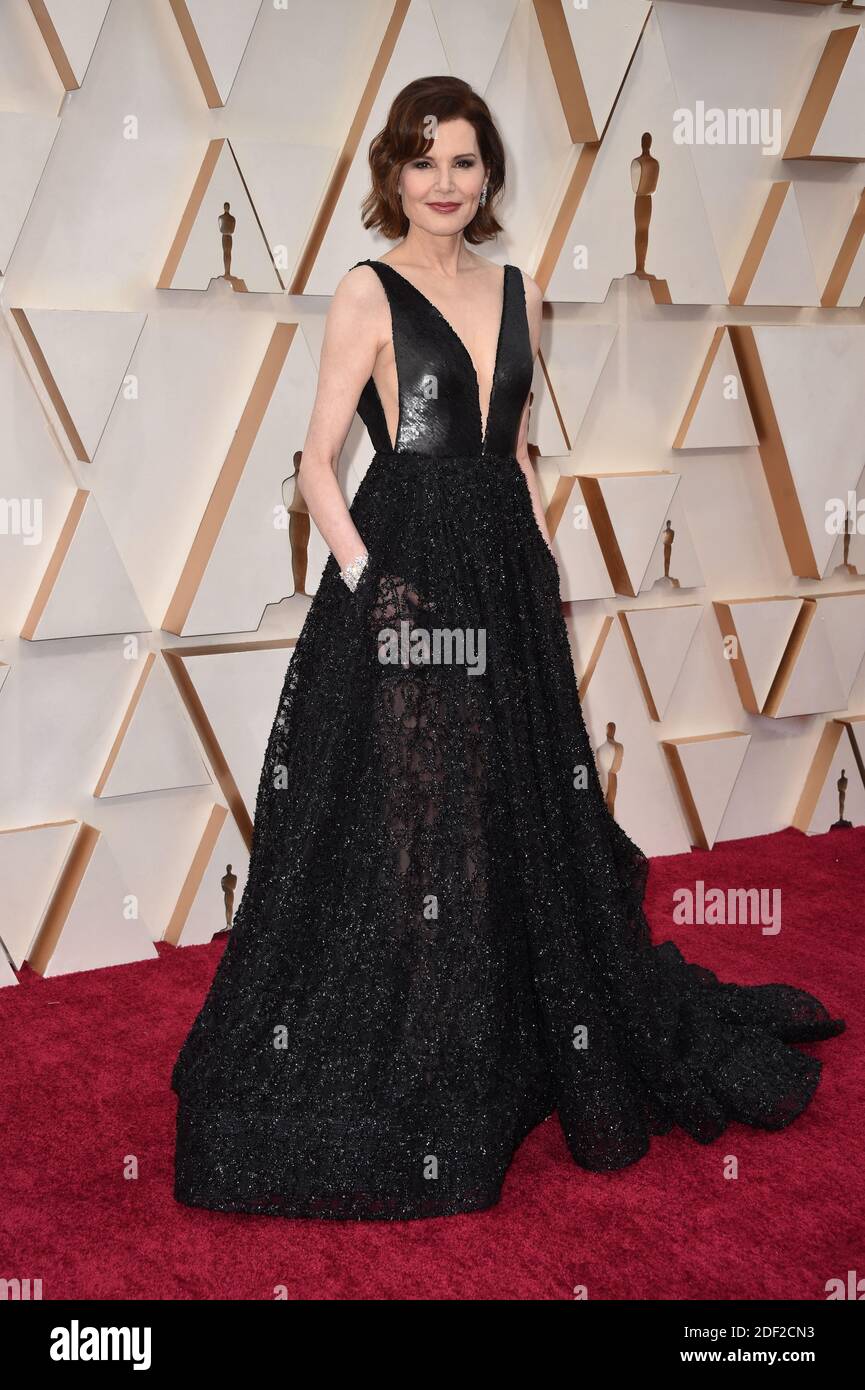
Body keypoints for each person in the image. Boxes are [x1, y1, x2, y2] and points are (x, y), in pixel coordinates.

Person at [171, 76, 845, 1222]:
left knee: (505, 809)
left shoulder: (524, 296)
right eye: (425, 162)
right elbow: (315, 465)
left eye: (465, 163)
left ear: (488, 178)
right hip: (405, 578)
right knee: (415, 816)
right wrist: (368, 587)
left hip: (504, 579)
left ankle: (503, 1038)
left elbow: (519, 453)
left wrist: (543, 571)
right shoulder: (364, 293)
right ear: (394, 173)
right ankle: (422, 1048)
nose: (445, 184)